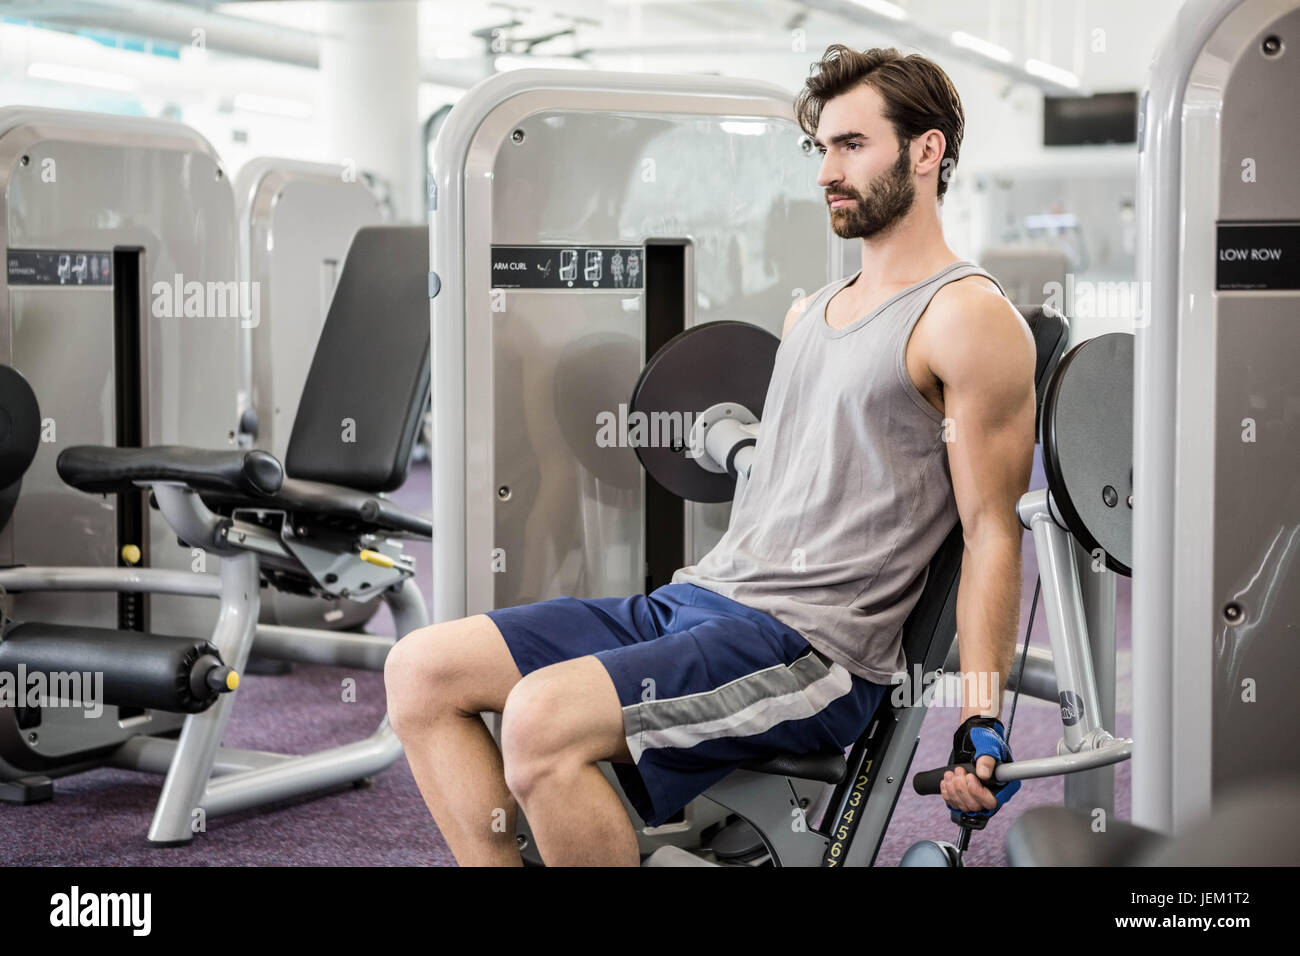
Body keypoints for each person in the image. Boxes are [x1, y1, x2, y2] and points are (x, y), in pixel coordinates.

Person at [385, 45, 1035, 866]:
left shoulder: (965, 318)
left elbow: (991, 532)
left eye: (853, 145)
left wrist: (981, 715)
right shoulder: (813, 312)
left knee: (539, 721)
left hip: (807, 648)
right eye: (822, 148)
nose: (828, 171)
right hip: (702, 599)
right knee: (421, 670)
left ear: (927, 150)